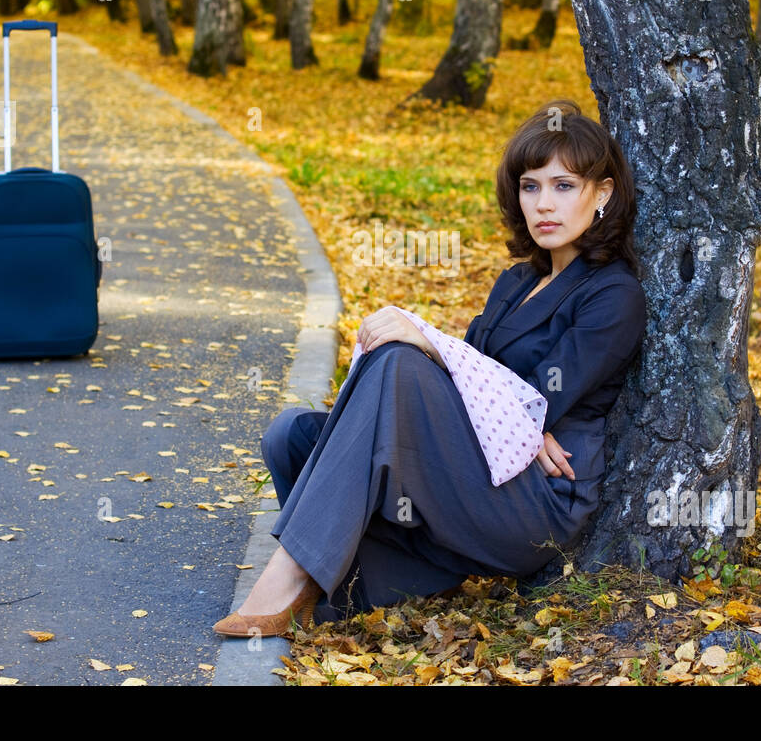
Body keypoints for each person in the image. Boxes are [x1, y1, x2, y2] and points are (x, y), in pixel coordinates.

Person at [213, 98, 647, 637]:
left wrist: (457, 366)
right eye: (531, 186)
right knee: (291, 435)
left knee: (401, 362)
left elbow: (538, 397)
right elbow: (464, 389)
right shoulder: (515, 283)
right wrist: (507, 412)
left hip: (535, 499)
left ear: (601, 193)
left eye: (564, 186)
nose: (544, 204)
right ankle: (350, 577)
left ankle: (289, 576)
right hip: (477, 466)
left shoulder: (613, 294)